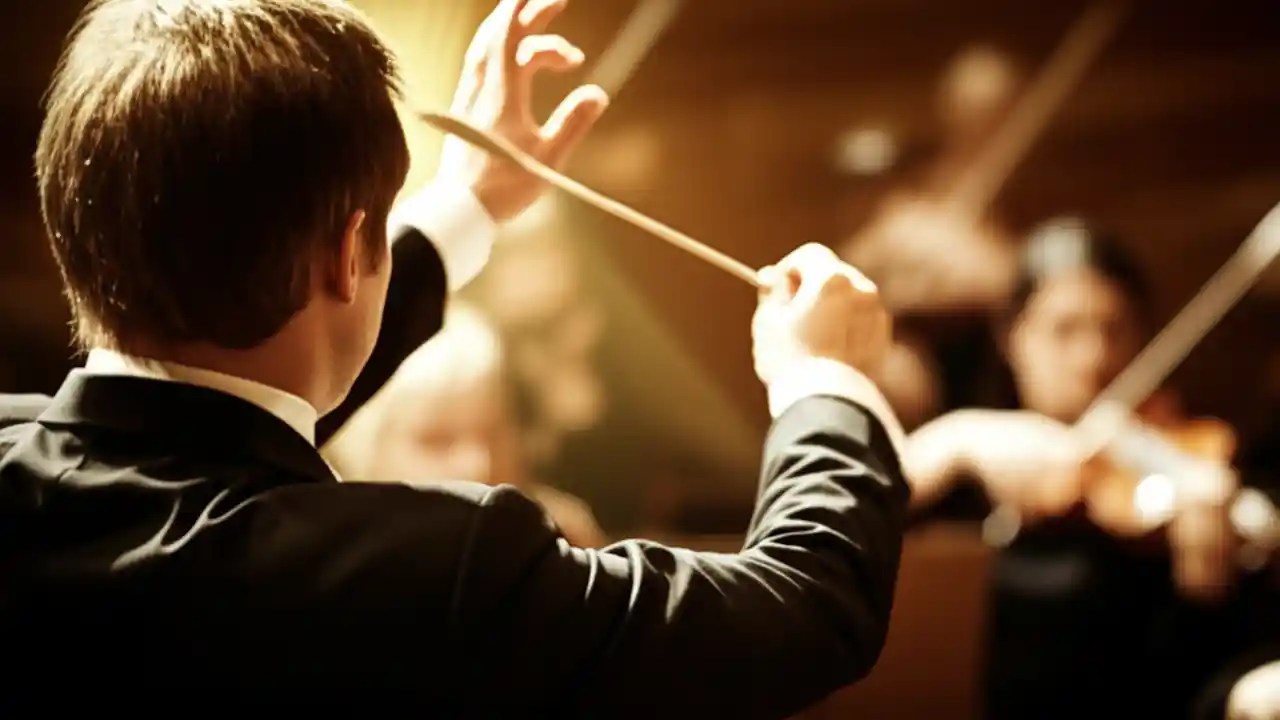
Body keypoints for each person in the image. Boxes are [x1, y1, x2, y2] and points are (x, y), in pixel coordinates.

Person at [0, 0, 909, 715]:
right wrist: (822, 382)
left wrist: (463, 205)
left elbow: (222, 434)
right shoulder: (432, 576)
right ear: (349, 250)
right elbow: (803, 612)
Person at [904, 218, 1276, 718]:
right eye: (1065, 329)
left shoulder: (1174, 481)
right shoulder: (967, 469)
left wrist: (1204, 597)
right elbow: (855, 510)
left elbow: (1182, 686)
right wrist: (957, 438)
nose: (1093, 356)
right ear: (1011, 335)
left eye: (1114, 328)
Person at [324, 302, 607, 548]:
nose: (477, 465)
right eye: (436, 440)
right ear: (366, 455)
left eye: (494, 432)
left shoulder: (557, 543)